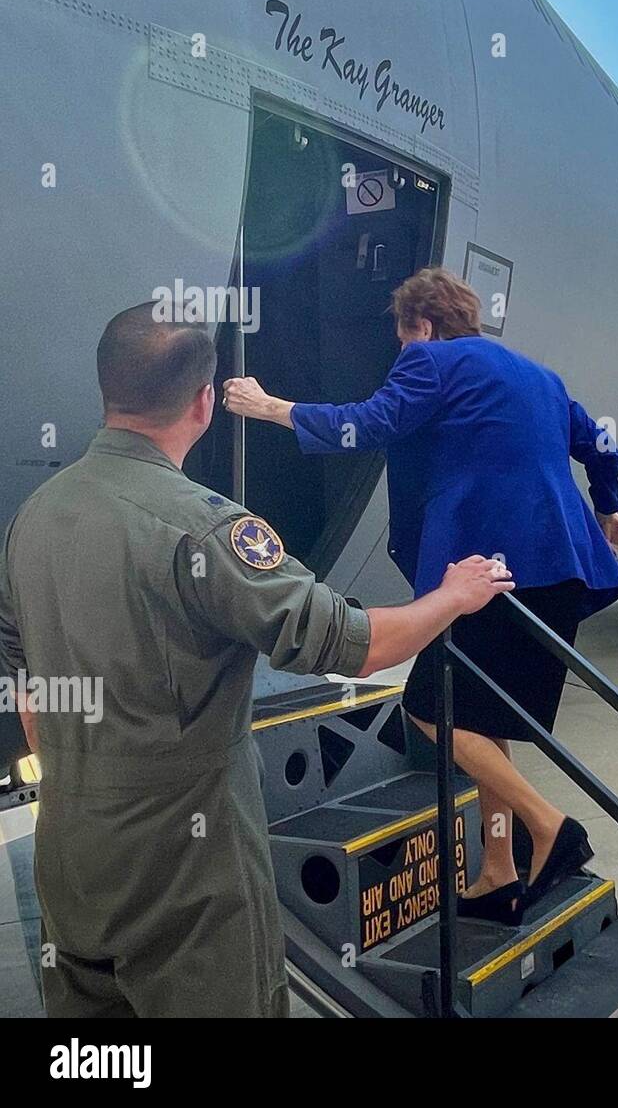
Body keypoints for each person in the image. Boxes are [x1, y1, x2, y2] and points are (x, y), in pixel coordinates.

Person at [0, 304, 513, 1019]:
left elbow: (22, 679)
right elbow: (359, 648)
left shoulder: (36, 515)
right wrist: (456, 596)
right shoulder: (206, 528)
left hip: (71, 853)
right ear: (204, 401)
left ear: (106, 391)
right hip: (185, 868)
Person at [224, 267, 618, 924]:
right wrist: (608, 510)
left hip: (494, 575)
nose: (401, 350)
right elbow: (603, 446)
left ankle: (549, 825)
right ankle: (499, 870)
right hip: (559, 570)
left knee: (429, 707)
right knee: (482, 720)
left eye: (401, 335)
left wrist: (269, 405)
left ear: (420, 325)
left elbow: (366, 424)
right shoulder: (537, 375)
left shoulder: (431, 362)